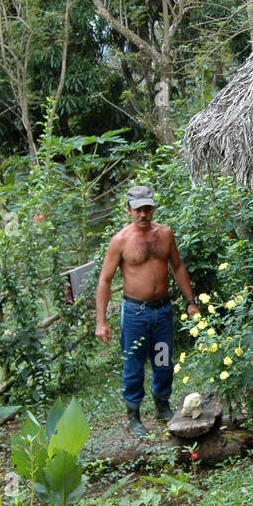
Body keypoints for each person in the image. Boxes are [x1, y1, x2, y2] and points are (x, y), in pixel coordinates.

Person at [94, 185, 201, 437]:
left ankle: (162, 406)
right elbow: (105, 280)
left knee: (163, 361)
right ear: (128, 210)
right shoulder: (120, 241)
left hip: (162, 312)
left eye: (147, 209)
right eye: (138, 209)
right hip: (135, 314)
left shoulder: (165, 235)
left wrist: (191, 301)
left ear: (153, 209)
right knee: (134, 364)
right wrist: (101, 321)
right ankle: (134, 416)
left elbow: (177, 267)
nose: (143, 214)